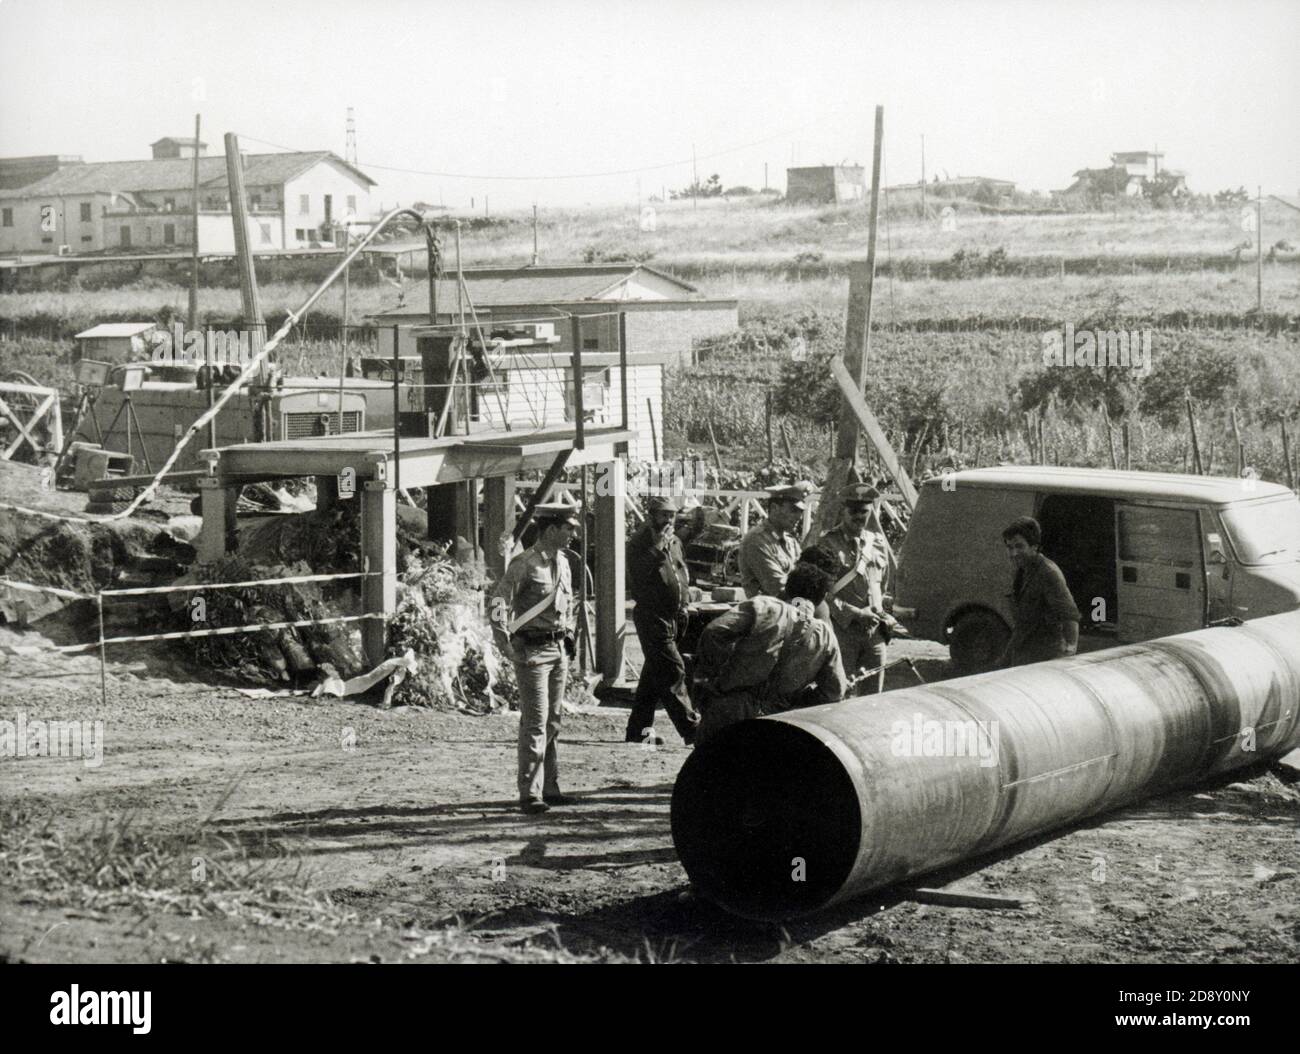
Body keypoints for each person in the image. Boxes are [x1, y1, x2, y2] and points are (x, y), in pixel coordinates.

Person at [692, 562, 848, 745]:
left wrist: (711, 681)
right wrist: (798, 702)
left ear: (788, 588)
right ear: (822, 598)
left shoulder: (764, 606)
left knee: (707, 769)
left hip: (729, 709)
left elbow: (713, 632)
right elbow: (834, 692)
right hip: (777, 722)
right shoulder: (826, 636)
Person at [489, 503, 579, 814]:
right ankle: (529, 793)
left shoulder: (563, 562)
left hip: (556, 651)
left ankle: (550, 788)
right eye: (569, 528)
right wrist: (505, 645)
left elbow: (566, 604)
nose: (573, 534)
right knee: (535, 723)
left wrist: (568, 638)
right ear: (551, 529)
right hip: (532, 652)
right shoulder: (524, 563)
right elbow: (499, 601)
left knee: (553, 722)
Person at [626, 495, 701, 747]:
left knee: (653, 675)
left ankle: (638, 730)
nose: (668, 520)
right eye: (663, 515)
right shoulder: (639, 543)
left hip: (675, 616)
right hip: (652, 616)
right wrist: (657, 547)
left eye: (671, 515)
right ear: (651, 517)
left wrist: (686, 603)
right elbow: (638, 576)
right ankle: (691, 729)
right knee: (673, 670)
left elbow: (680, 573)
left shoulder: (676, 541)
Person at [816, 483, 893, 693]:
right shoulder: (827, 544)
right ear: (843, 511)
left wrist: (879, 611)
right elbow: (819, 593)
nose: (859, 516)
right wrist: (856, 613)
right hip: (843, 632)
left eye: (864, 511)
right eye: (854, 511)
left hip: (874, 633)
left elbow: (881, 585)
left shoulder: (877, 542)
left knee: (873, 697)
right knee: (840, 691)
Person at [998, 515, 1081, 667]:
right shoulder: (1022, 570)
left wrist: (1068, 655)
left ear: (1034, 546)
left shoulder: (1048, 573)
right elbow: (1022, 625)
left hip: (1046, 658)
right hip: (1024, 655)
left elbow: (1070, 616)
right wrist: (1005, 658)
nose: (1013, 553)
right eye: (1010, 547)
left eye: (1019, 546)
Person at [738, 482, 815, 598]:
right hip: (767, 611)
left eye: (800, 512)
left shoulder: (791, 542)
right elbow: (778, 589)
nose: (799, 516)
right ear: (774, 508)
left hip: (791, 606)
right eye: (793, 510)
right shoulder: (756, 540)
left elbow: (805, 576)